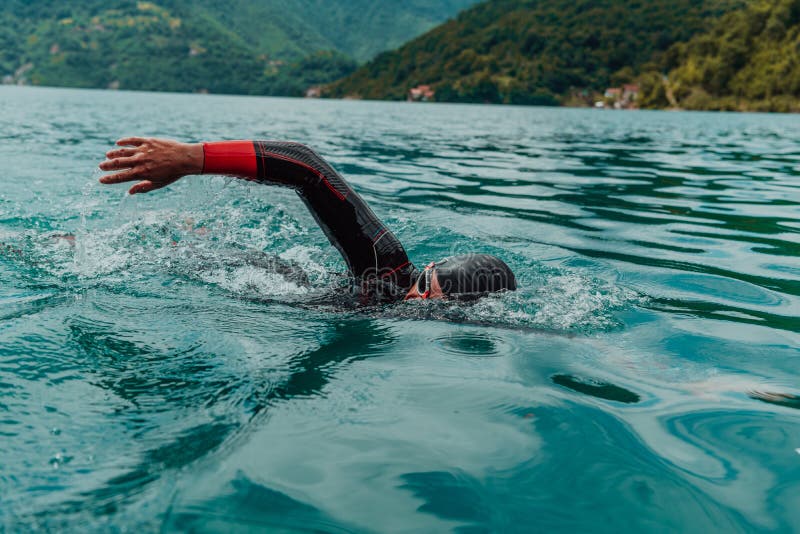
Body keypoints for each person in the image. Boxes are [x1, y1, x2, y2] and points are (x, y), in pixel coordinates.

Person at [99, 137, 516, 303]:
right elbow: (308, 166)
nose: (418, 299)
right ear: (426, 268)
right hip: (265, 276)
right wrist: (191, 158)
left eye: (432, 299)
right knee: (173, 254)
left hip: (302, 293)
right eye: (423, 286)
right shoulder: (389, 268)